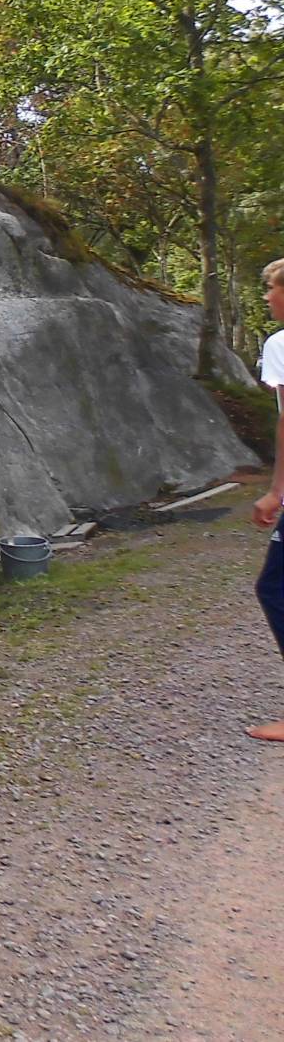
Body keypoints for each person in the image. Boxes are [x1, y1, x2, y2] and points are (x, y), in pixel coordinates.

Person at [251, 257, 284, 743]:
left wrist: (277, 490)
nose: (266, 297)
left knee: (275, 589)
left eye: (271, 290)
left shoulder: (281, 345)